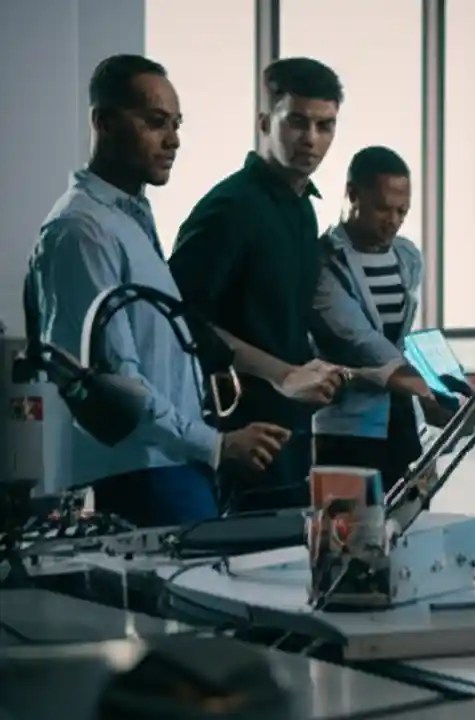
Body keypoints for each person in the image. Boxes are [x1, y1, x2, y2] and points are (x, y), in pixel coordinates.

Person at [22, 55, 310, 527]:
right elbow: (115, 386)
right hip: (139, 473)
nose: (173, 139)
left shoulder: (128, 217)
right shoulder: (81, 230)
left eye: (177, 124)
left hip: (172, 463)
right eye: (156, 122)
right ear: (104, 123)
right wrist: (216, 445)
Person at [169, 57, 347, 512]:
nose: (311, 138)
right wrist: (282, 373)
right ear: (265, 122)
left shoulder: (304, 208)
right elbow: (179, 318)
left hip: (292, 431)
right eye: (298, 122)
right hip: (239, 437)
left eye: (325, 126)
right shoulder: (230, 207)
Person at [311, 146, 450, 488]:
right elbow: (360, 341)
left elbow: (405, 337)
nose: (393, 220)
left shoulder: (407, 257)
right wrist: (427, 391)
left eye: (402, 210)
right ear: (353, 194)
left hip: (399, 419)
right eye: (382, 208)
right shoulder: (325, 261)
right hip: (347, 427)